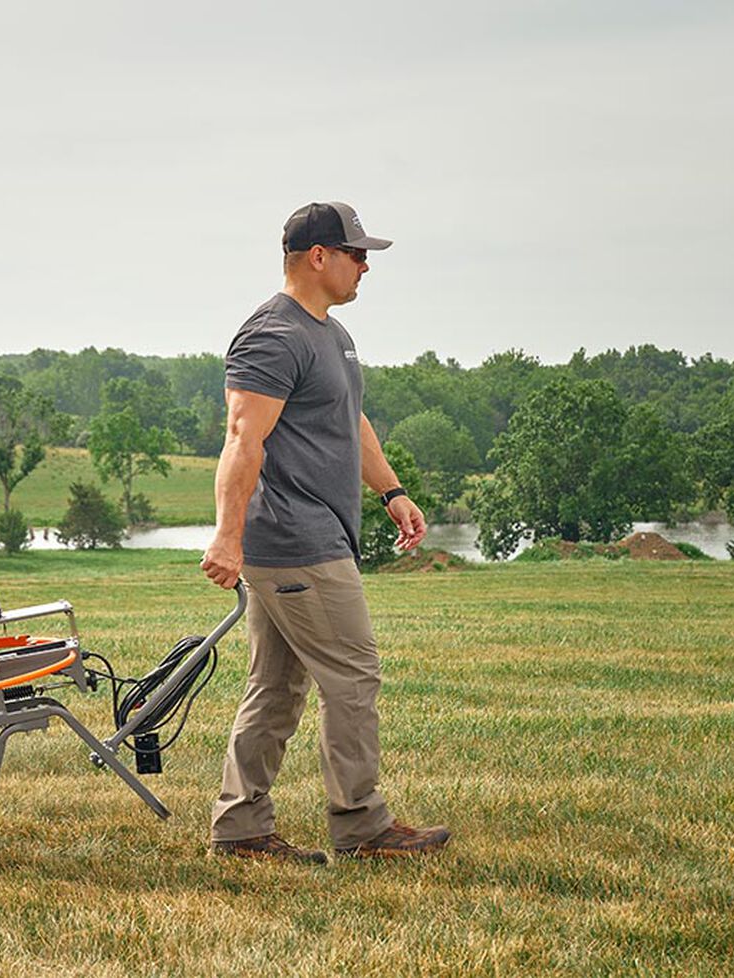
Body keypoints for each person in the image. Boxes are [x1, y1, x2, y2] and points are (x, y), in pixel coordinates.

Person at [201, 201, 450, 863]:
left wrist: (392, 491)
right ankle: (362, 826)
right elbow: (241, 437)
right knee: (354, 676)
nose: (366, 265)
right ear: (318, 256)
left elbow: (351, 421)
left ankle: (241, 829)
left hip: (312, 536)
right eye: (356, 253)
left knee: (276, 688)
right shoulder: (273, 335)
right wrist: (229, 535)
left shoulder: (329, 334)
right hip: (295, 541)